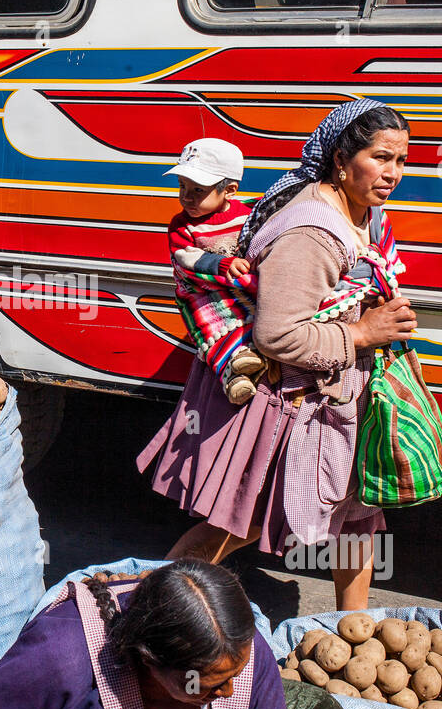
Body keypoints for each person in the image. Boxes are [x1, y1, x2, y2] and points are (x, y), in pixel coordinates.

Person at [138, 100, 417, 611]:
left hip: (338, 396)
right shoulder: (311, 231)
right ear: (340, 157)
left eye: (401, 160)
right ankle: (150, 610)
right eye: (381, 158)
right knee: (241, 521)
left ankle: (352, 627)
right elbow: (276, 336)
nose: (392, 173)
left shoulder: (367, 217)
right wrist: (362, 333)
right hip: (289, 402)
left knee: (355, 515)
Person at [0, 559, 289, 709]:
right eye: (209, 686)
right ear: (149, 660)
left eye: (234, 676)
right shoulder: (60, 658)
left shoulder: (242, 648)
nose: (229, 691)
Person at [164, 138, 269, 405]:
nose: (186, 197)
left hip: (241, 288)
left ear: (230, 190)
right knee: (212, 328)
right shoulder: (181, 225)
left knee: (254, 318)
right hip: (204, 293)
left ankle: (248, 358)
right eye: (182, 186)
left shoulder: (248, 215)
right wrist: (221, 265)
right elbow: (185, 258)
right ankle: (233, 378)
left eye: (198, 190)